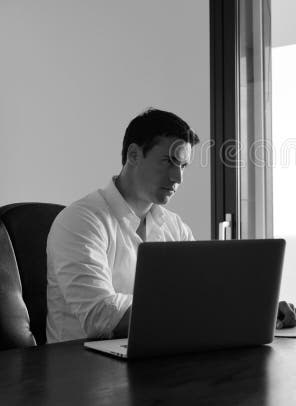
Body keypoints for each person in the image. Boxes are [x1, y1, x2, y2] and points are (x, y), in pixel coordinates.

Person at [46, 108, 200, 342]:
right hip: (82, 368)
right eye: (168, 161)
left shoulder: (175, 227)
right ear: (134, 155)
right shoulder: (80, 221)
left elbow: (201, 296)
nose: (177, 177)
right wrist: (182, 310)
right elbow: (100, 315)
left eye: (183, 166)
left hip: (153, 357)